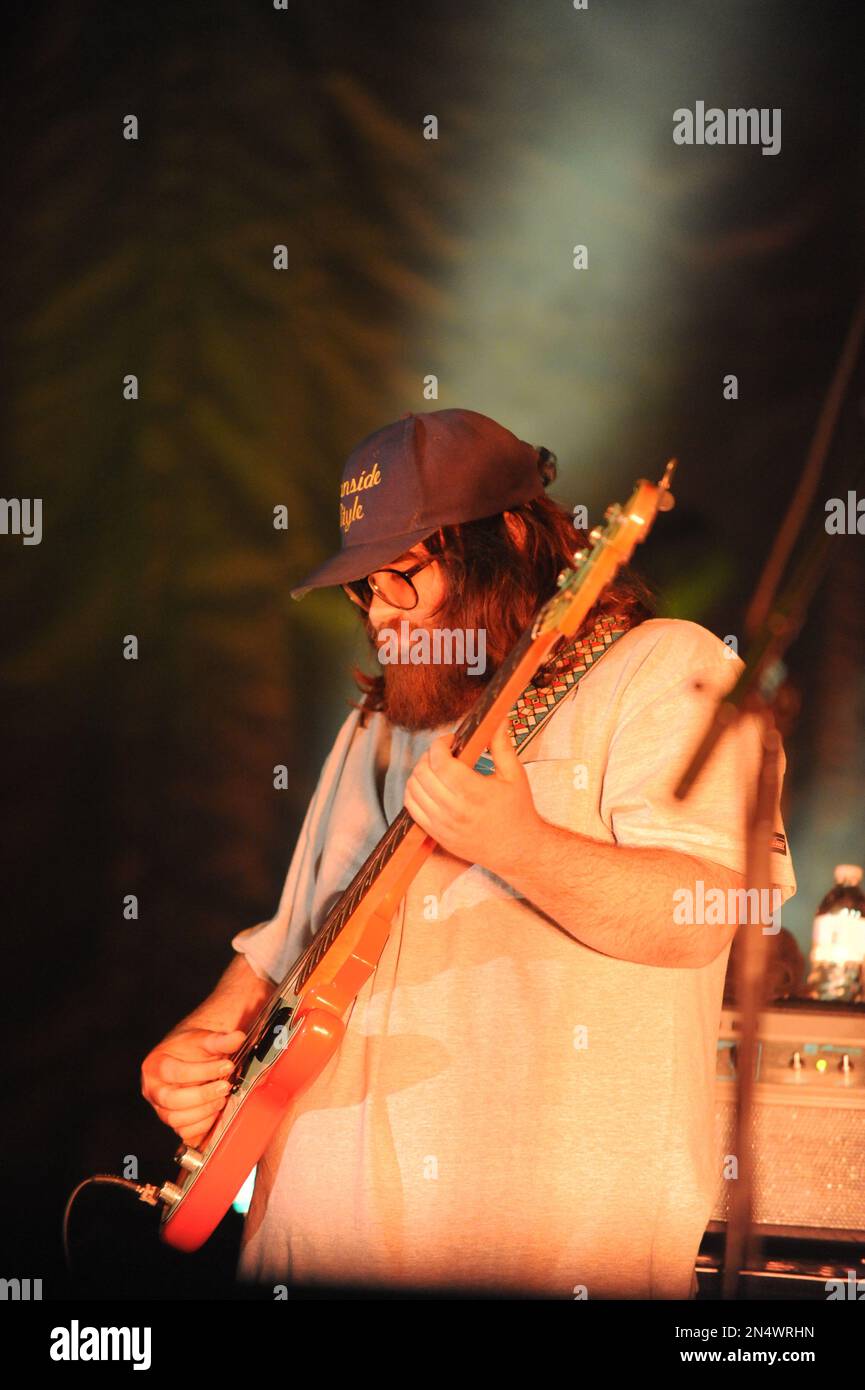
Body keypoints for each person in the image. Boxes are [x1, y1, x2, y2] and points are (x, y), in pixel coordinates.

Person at [141, 408, 797, 1298]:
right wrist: (204, 1044)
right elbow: (287, 942)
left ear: (512, 538)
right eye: (363, 588)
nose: (378, 613)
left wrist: (519, 845)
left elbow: (704, 913)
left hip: (542, 1248)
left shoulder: (665, 670)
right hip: (312, 1237)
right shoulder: (379, 723)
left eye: (402, 577)